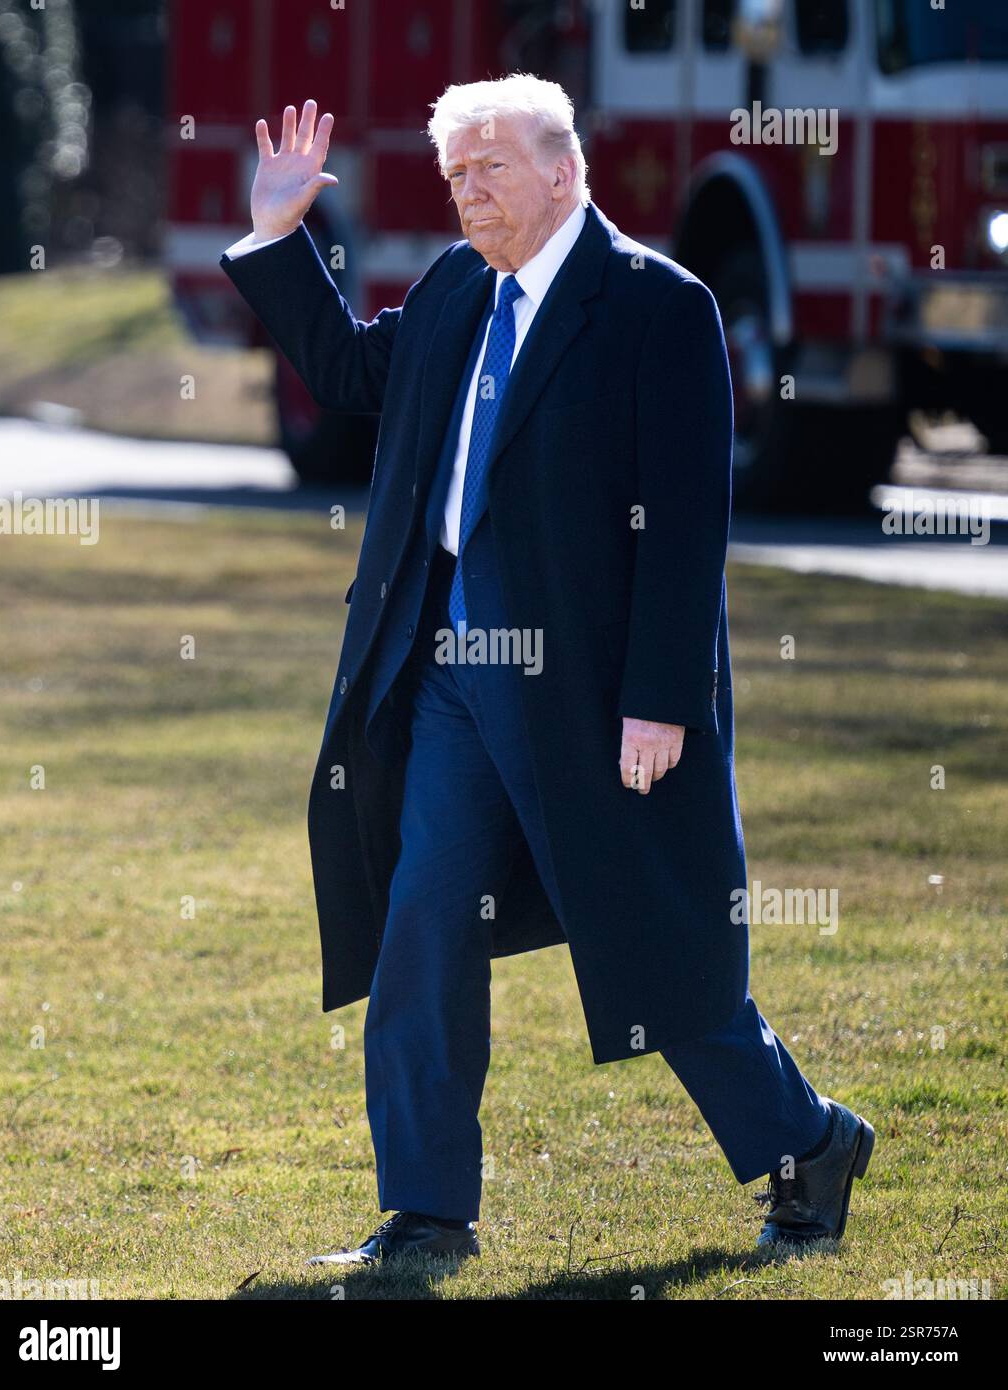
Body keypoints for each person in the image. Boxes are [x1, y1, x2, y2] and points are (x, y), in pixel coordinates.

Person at [221, 74, 874, 1267]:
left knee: (654, 940)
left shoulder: (654, 306)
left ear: (563, 171)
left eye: (492, 168)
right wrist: (279, 235)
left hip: (592, 685)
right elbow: (359, 377)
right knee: (420, 921)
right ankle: (425, 1212)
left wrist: (662, 699)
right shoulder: (456, 285)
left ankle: (807, 1142)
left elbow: (686, 523)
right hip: (454, 675)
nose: (470, 191)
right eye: (455, 173)